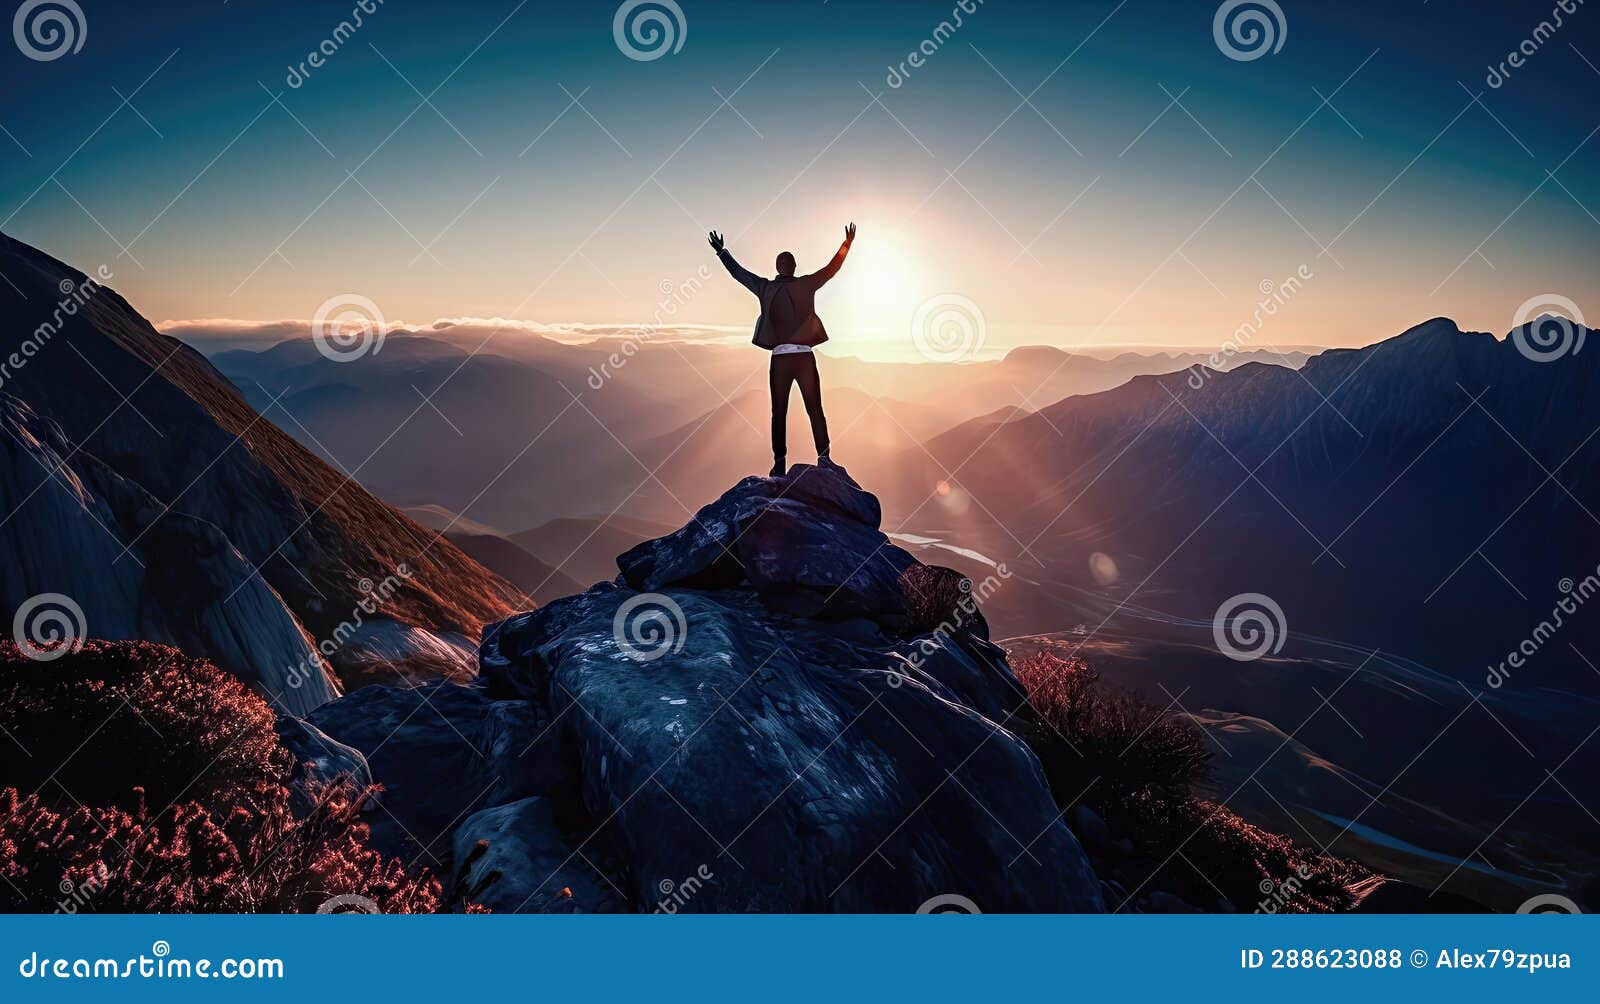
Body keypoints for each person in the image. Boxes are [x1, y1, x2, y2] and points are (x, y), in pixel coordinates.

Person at [709, 223, 855, 477]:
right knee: (814, 408)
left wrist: (722, 253)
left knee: (780, 411)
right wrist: (847, 244)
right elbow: (831, 270)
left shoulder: (766, 288)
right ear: (794, 268)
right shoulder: (807, 285)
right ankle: (825, 459)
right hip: (804, 358)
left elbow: (739, 274)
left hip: (780, 360)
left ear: (778, 268)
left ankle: (779, 463)